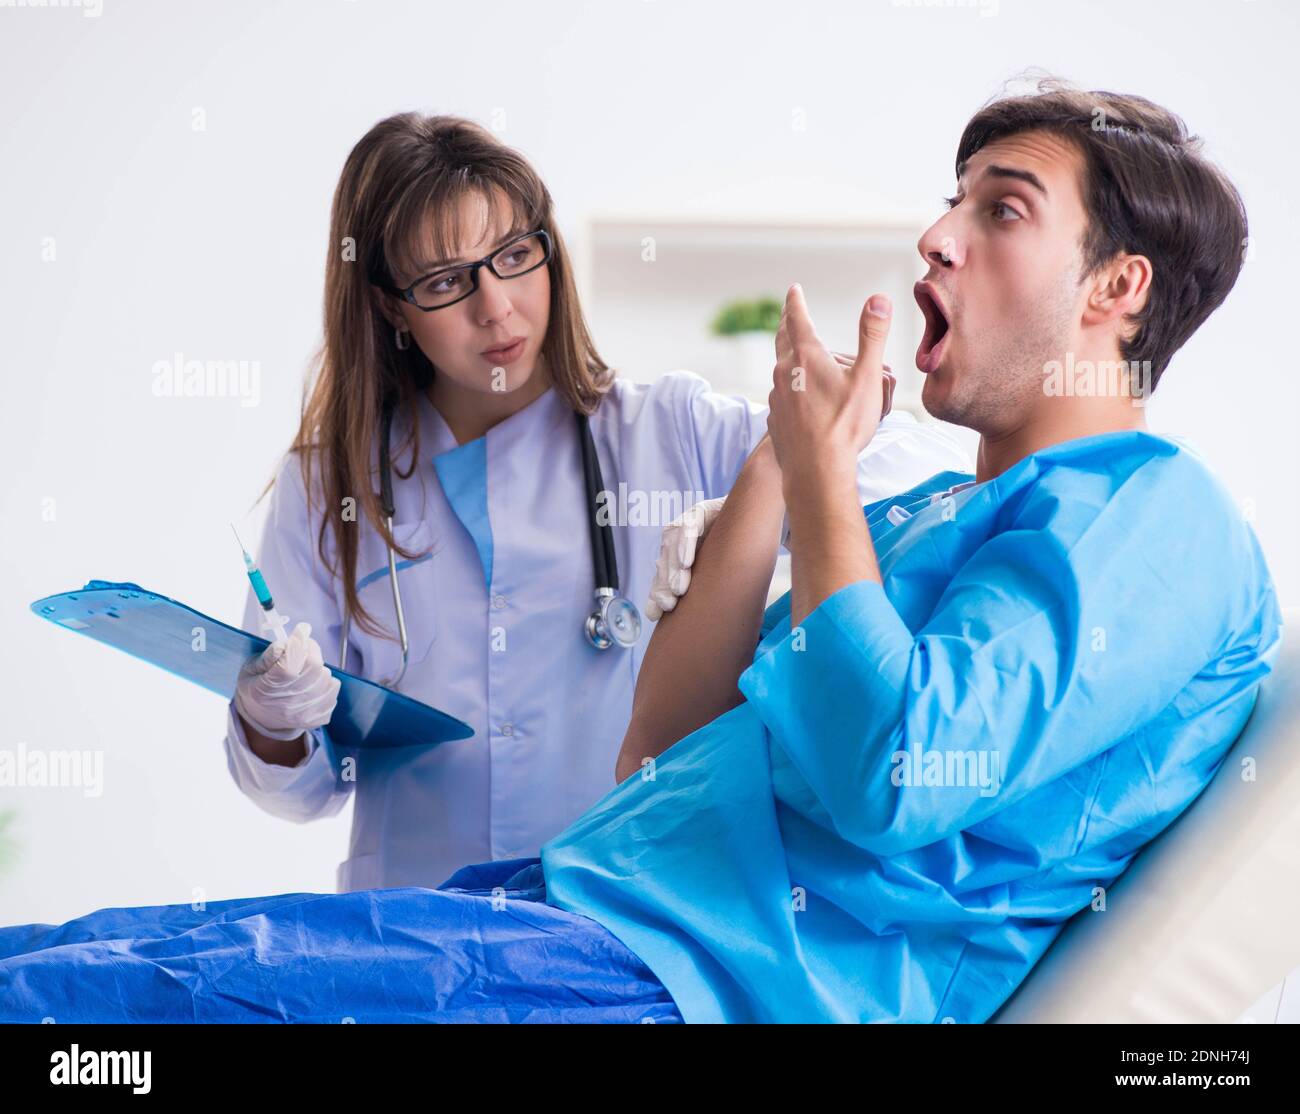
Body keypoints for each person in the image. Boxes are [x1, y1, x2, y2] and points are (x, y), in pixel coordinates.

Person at [0, 79, 1279, 1025]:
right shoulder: (919, 522)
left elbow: (896, 768)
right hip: (565, 916)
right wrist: (777, 475)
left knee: (86, 1018)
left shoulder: (1155, 515)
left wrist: (816, 472)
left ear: (1116, 287)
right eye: (949, 201)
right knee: (73, 968)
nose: (934, 237)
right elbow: (656, 748)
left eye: (998, 209)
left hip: (685, 978)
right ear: (392, 311)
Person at [224, 113, 970, 893]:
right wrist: (273, 724)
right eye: (447, 282)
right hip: (414, 934)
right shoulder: (330, 488)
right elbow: (302, 789)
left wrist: (771, 476)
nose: (497, 308)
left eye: (515, 257)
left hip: (616, 928)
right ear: (389, 308)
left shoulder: (667, 430)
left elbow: (919, 465)